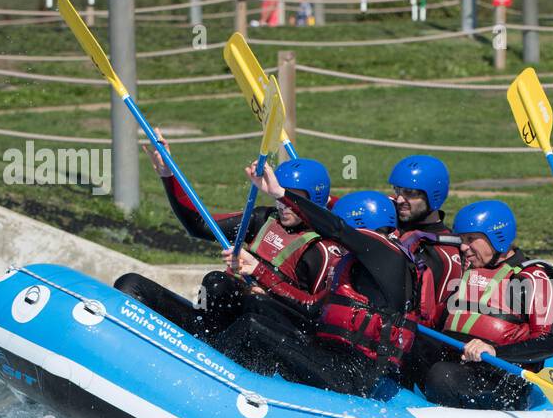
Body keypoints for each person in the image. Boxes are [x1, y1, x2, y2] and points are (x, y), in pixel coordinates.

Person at [113, 134, 342, 339]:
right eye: (279, 195)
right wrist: (168, 174)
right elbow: (199, 225)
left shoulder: (321, 250)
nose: (283, 205)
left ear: (313, 199)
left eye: (292, 198)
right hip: (213, 320)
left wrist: (263, 282)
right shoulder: (264, 218)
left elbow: (314, 314)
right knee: (130, 284)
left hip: (261, 330)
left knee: (220, 283)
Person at [214, 189, 421, 398]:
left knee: (252, 327)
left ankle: (209, 370)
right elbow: (311, 306)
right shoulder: (356, 267)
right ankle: (251, 381)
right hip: (330, 356)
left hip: (351, 375)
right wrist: (257, 268)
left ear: (358, 225)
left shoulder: (389, 257)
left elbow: (337, 229)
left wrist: (280, 192)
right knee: (258, 304)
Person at [415, 200, 553, 410]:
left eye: (471, 239)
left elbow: (547, 342)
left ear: (498, 237)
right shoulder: (469, 270)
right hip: (458, 364)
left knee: (441, 375)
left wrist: (494, 351)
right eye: (462, 239)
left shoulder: (531, 277)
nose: (464, 247)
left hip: (499, 380)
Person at [389, 154, 452, 236]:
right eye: (397, 190)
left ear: (433, 197)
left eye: (409, 192)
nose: (399, 200)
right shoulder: (387, 218)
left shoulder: (441, 245)